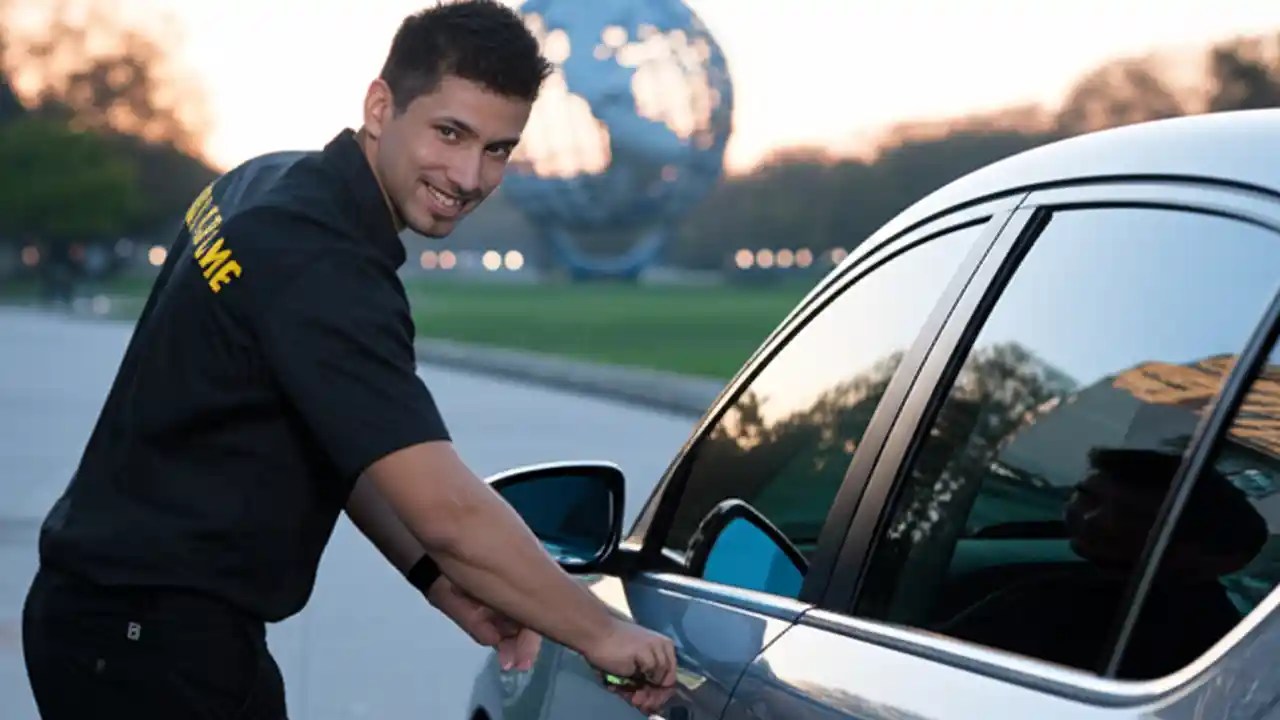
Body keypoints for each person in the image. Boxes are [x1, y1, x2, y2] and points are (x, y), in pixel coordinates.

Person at [20, 2, 677, 717]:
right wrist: (603, 631)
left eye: (498, 149)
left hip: (124, 622)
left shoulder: (266, 184)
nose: (469, 175)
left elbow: (346, 438)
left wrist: (434, 578)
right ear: (380, 106)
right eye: (450, 132)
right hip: (146, 643)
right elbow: (448, 511)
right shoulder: (323, 266)